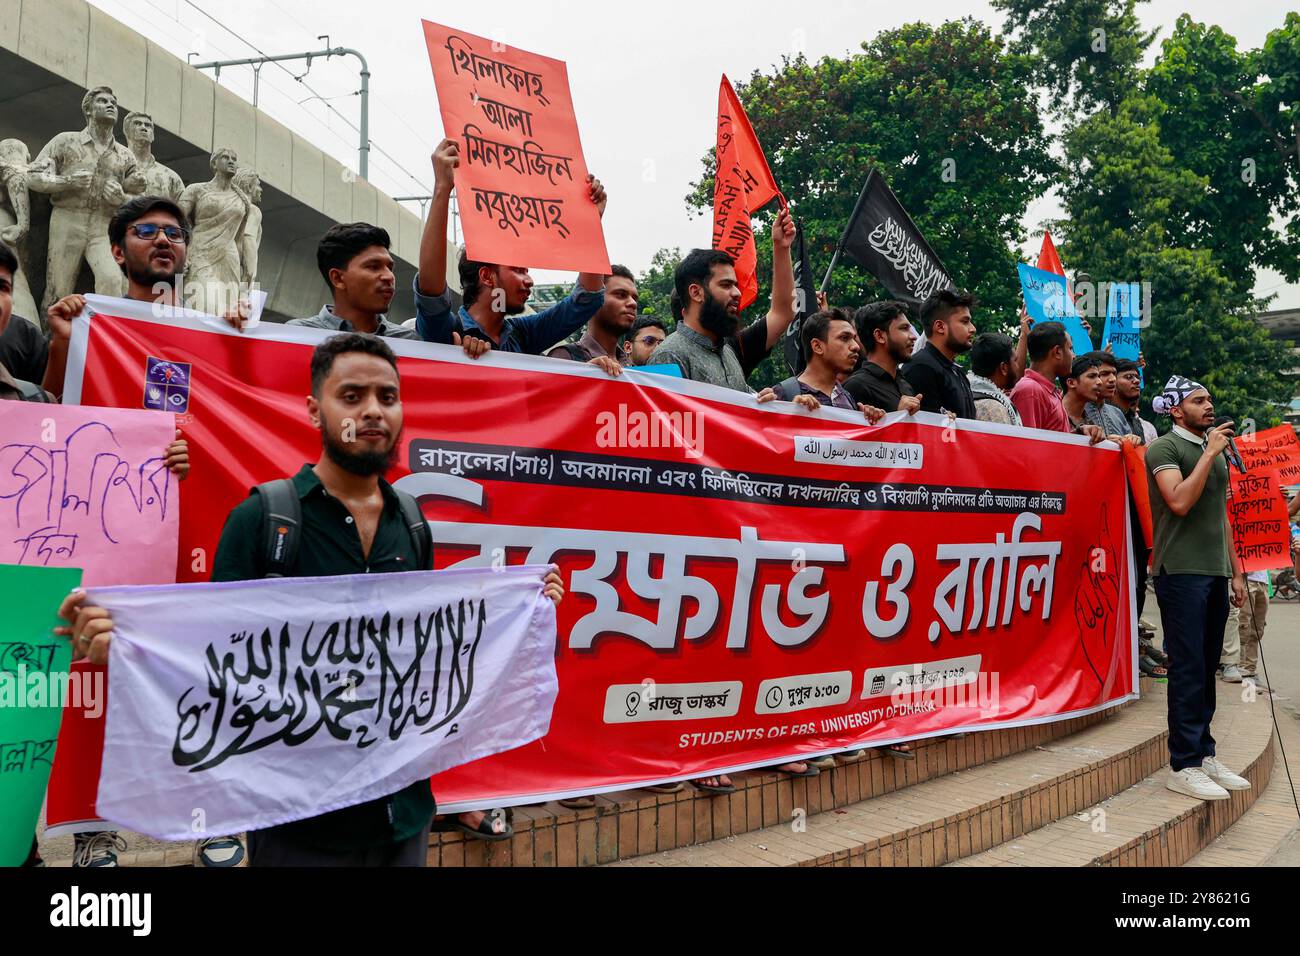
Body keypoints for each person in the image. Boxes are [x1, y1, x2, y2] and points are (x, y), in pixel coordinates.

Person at [57, 333, 566, 864]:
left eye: (387, 397)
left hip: (404, 816)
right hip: (298, 828)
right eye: (351, 396)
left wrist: (528, 606)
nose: (372, 411)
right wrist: (129, 644)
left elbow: (429, 650)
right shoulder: (264, 519)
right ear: (314, 410)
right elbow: (207, 658)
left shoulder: (412, 524)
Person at [1145, 375, 1250, 801]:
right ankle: (1183, 763)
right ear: (1175, 410)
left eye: (1210, 399)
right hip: (1181, 570)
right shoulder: (1165, 448)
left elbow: (1220, 517)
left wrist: (1237, 571)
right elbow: (1179, 502)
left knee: (1207, 667)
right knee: (1187, 668)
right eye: (1198, 400)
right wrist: (1209, 452)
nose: (1210, 406)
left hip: (1214, 570)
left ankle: (1204, 754)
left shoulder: (1215, 451)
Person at [413, 138, 608, 354]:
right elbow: (431, 295)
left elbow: (585, 301)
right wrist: (442, 188)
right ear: (487, 276)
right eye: (518, 270)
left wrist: (592, 225)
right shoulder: (447, 333)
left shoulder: (523, 335)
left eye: (526, 271)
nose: (529, 280)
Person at [41, 196, 246, 399]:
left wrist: (241, 347)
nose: (163, 240)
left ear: (187, 254)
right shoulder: (91, 332)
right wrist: (65, 343)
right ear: (118, 252)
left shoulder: (210, 338)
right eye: (146, 231)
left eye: (174, 234)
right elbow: (49, 414)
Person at [651, 204, 796, 393]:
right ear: (696, 292)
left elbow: (783, 312)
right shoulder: (669, 356)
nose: (736, 293)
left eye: (735, 285)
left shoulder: (728, 352)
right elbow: (663, 421)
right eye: (726, 285)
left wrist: (765, 402)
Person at [545, 264, 637, 376]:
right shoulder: (564, 358)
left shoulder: (633, 368)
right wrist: (585, 378)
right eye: (621, 295)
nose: (633, 303)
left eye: (634, 298)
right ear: (596, 299)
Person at [901, 289, 978, 419]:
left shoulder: (957, 372)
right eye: (965, 321)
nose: (973, 329)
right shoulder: (921, 367)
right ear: (940, 327)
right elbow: (925, 428)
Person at [842, 300, 922, 414]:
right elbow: (852, 431)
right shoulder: (856, 386)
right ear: (879, 336)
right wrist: (898, 415)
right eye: (904, 328)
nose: (913, 336)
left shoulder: (905, 385)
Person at [1063, 352, 1133, 441]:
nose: (1113, 379)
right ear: (1071, 383)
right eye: (1104, 374)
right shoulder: (1055, 410)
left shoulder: (1117, 414)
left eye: (1114, 373)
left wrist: (1129, 442)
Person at [967, 332, 1022, 426]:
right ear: (1003, 368)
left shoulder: (965, 393)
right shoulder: (994, 410)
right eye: (1015, 361)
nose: (1018, 367)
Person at [1110, 357, 1158, 444]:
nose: (1136, 381)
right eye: (1128, 377)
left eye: (1137, 377)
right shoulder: (1101, 414)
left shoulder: (1136, 422)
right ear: (1112, 381)